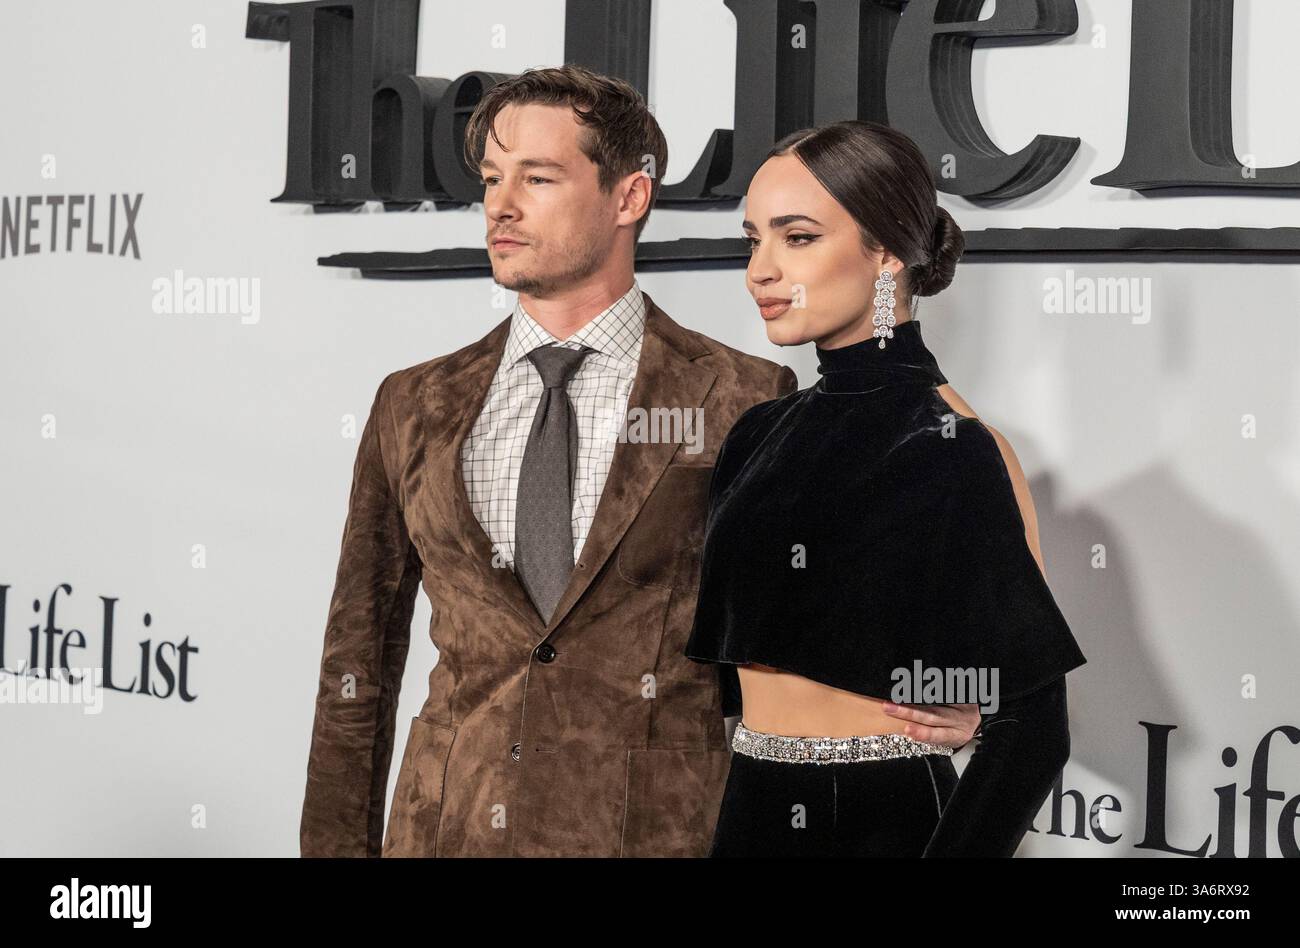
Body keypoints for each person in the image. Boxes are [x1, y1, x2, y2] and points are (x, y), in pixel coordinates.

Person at [299, 68, 980, 858]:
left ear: (629, 198)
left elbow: (819, 612)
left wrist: (944, 692)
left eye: (538, 177)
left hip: (660, 834)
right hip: (446, 830)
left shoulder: (746, 395)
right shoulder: (412, 402)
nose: (500, 204)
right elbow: (358, 663)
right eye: (490, 178)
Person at [685, 120, 1088, 857]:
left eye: (797, 237)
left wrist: (982, 706)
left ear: (887, 254)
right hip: (746, 813)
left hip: (881, 825)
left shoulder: (952, 446)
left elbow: (1032, 730)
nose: (759, 272)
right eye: (754, 240)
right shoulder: (755, 437)